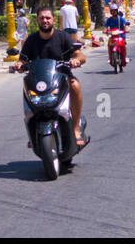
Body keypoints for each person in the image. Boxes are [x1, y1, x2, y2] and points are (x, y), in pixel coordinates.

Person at [13, 7, 87, 145]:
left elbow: (79, 54)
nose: (45, 21)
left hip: (62, 78)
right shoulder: (31, 40)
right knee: (26, 90)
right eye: (42, 18)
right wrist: (19, 64)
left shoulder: (63, 37)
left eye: (48, 18)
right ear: (37, 21)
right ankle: (33, 131)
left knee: (75, 86)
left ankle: (76, 128)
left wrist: (77, 60)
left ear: (53, 20)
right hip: (39, 80)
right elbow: (22, 59)